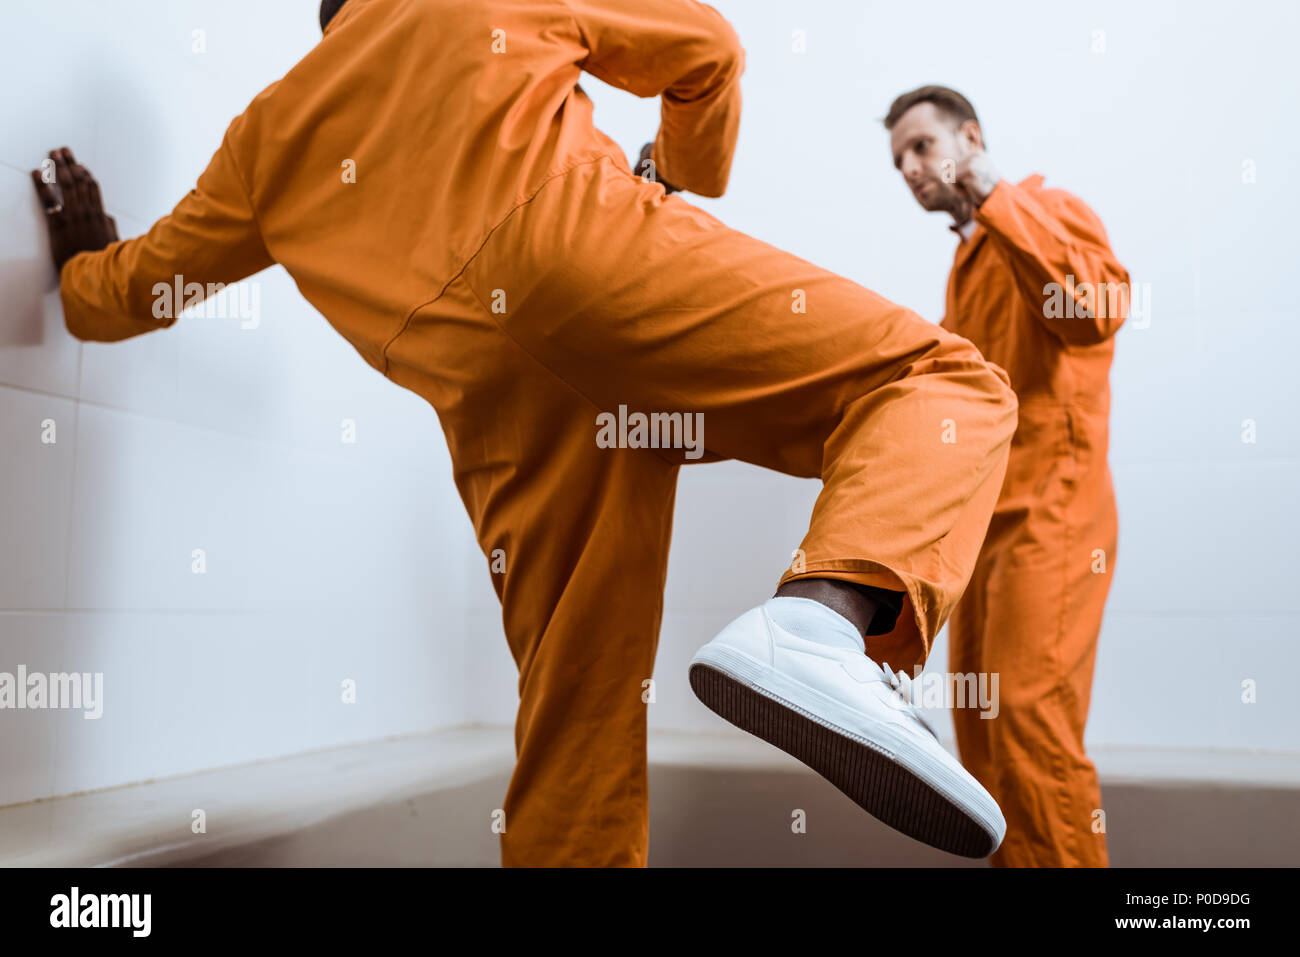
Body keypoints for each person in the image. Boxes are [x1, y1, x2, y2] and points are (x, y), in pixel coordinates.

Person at [31, 0, 1017, 867]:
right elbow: (709, 46)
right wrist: (679, 174)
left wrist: (85, 266)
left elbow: (127, 299)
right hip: (593, 266)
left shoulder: (268, 133)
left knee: (574, 701)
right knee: (940, 382)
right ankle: (821, 625)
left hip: (492, 396)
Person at [884, 84, 1128, 866]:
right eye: (899, 161)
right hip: (983, 542)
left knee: (1030, 721)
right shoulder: (965, 266)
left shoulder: (1043, 206)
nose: (912, 169)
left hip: (1052, 523)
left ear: (971, 137)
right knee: (983, 738)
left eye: (922, 146)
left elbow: (1092, 307)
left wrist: (991, 187)